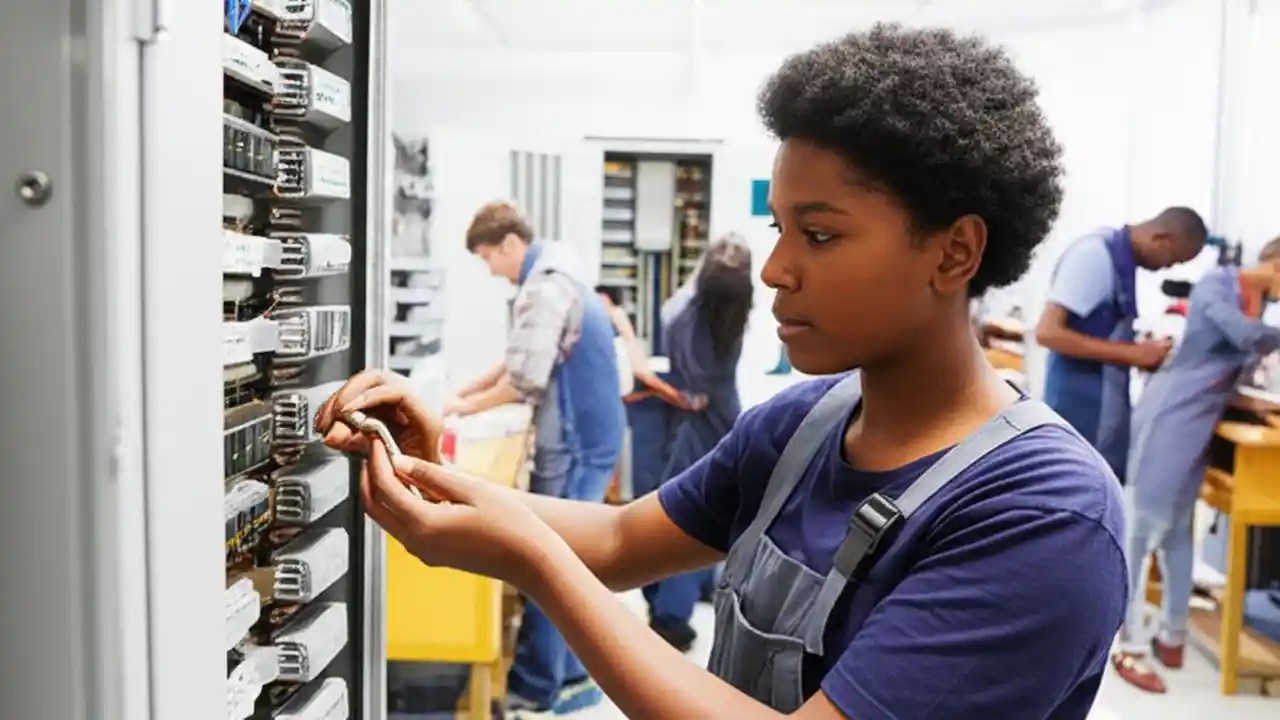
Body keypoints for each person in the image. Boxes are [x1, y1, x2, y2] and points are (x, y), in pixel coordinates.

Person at [319, 25, 1127, 719]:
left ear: (954, 252)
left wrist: (537, 565)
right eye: (778, 227)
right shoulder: (798, 427)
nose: (774, 270)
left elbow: (574, 560)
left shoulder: (1045, 516)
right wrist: (425, 472)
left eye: (819, 235)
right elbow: (617, 538)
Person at [443, 201, 624, 715]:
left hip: (574, 443)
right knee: (569, 561)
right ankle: (565, 678)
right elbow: (518, 355)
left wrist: (461, 408)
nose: (490, 270)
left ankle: (536, 687)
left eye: (488, 258)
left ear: (510, 245)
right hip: (591, 436)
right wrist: (468, 392)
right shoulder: (558, 270)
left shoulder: (543, 286)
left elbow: (524, 380)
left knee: (551, 564)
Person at [1112, 238, 1280, 694]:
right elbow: (1244, 337)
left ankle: (1173, 634)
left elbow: (1241, 360)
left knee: (1179, 532)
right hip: (1171, 414)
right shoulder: (1215, 284)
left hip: (1203, 421)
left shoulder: (1260, 300)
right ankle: (1128, 646)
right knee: (1142, 531)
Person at [635, 234, 753, 652]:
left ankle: (670, 617)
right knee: (715, 506)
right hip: (725, 418)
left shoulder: (685, 316)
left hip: (698, 422)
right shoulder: (737, 309)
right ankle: (700, 585)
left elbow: (692, 392)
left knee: (690, 517)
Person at [1036, 208, 1208, 479]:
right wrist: (1132, 354)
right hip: (1078, 413)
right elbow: (1048, 332)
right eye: (1172, 260)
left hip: (1104, 416)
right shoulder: (1094, 256)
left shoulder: (1121, 264)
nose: (1166, 268)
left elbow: (1101, 332)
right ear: (1161, 239)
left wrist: (1142, 350)